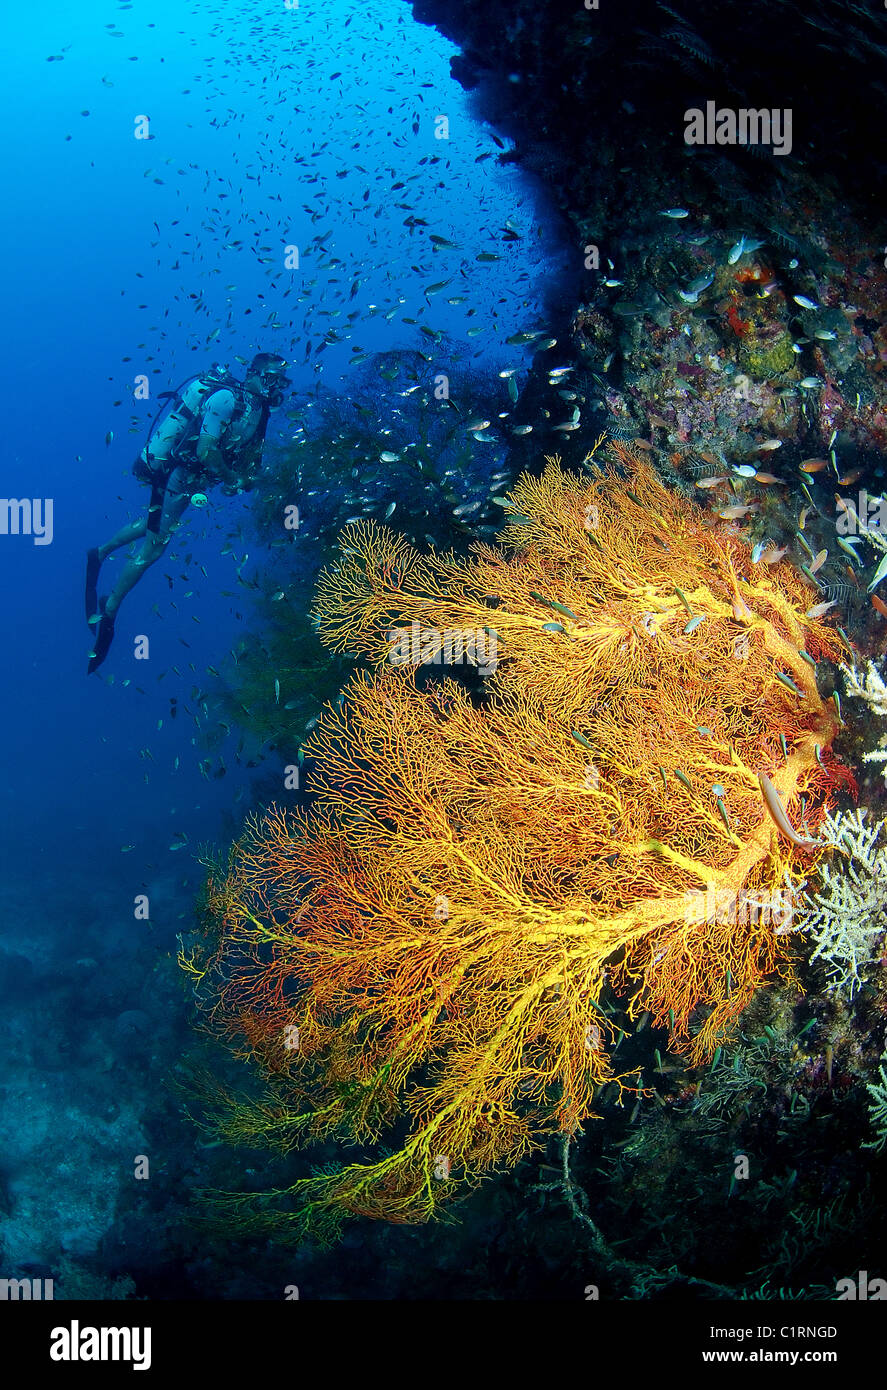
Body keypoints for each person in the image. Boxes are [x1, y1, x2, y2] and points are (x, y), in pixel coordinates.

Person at [86, 353, 290, 673]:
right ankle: (109, 609)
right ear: (252, 374)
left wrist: (247, 476)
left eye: (280, 381)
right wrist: (231, 477)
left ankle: (99, 553)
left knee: (156, 522)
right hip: (180, 474)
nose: (274, 386)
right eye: (269, 378)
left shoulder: (260, 410)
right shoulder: (226, 399)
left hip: (198, 479)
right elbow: (205, 450)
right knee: (154, 547)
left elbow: (249, 452)